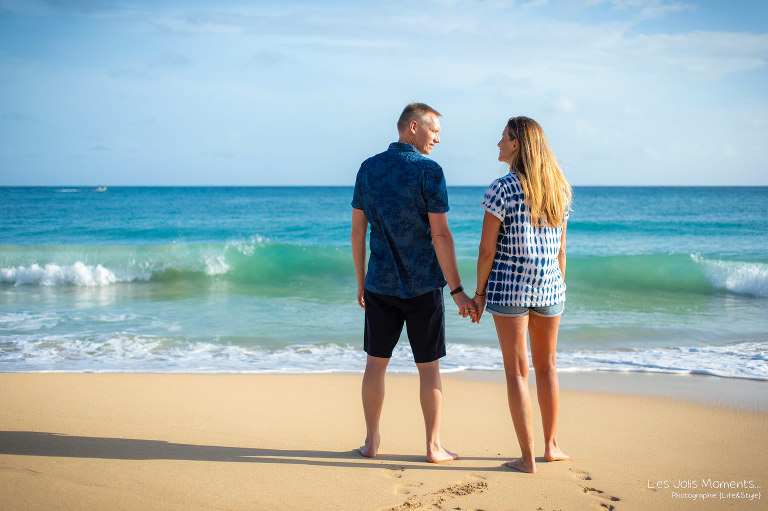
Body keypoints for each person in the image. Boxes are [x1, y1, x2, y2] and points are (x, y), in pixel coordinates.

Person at [351, 102, 474, 463]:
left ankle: (372, 443)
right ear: (413, 127)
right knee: (429, 368)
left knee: (375, 364)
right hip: (423, 286)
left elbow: (359, 230)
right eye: (434, 130)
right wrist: (457, 289)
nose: (437, 138)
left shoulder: (368, 168)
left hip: (380, 284)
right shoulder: (429, 171)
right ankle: (433, 447)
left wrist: (361, 280)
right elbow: (442, 236)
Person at [472, 116, 572, 473]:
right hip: (550, 287)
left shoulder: (502, 188)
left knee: (517, 373)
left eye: (502, 138)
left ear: (516, 144)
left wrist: (479, 293)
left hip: (510, 288)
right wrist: (557, 284)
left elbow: (486, 251)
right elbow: (561, 250)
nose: (498, 144)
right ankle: (552, 446)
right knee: (547, 368)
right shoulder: (558, 188)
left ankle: (526, 459)